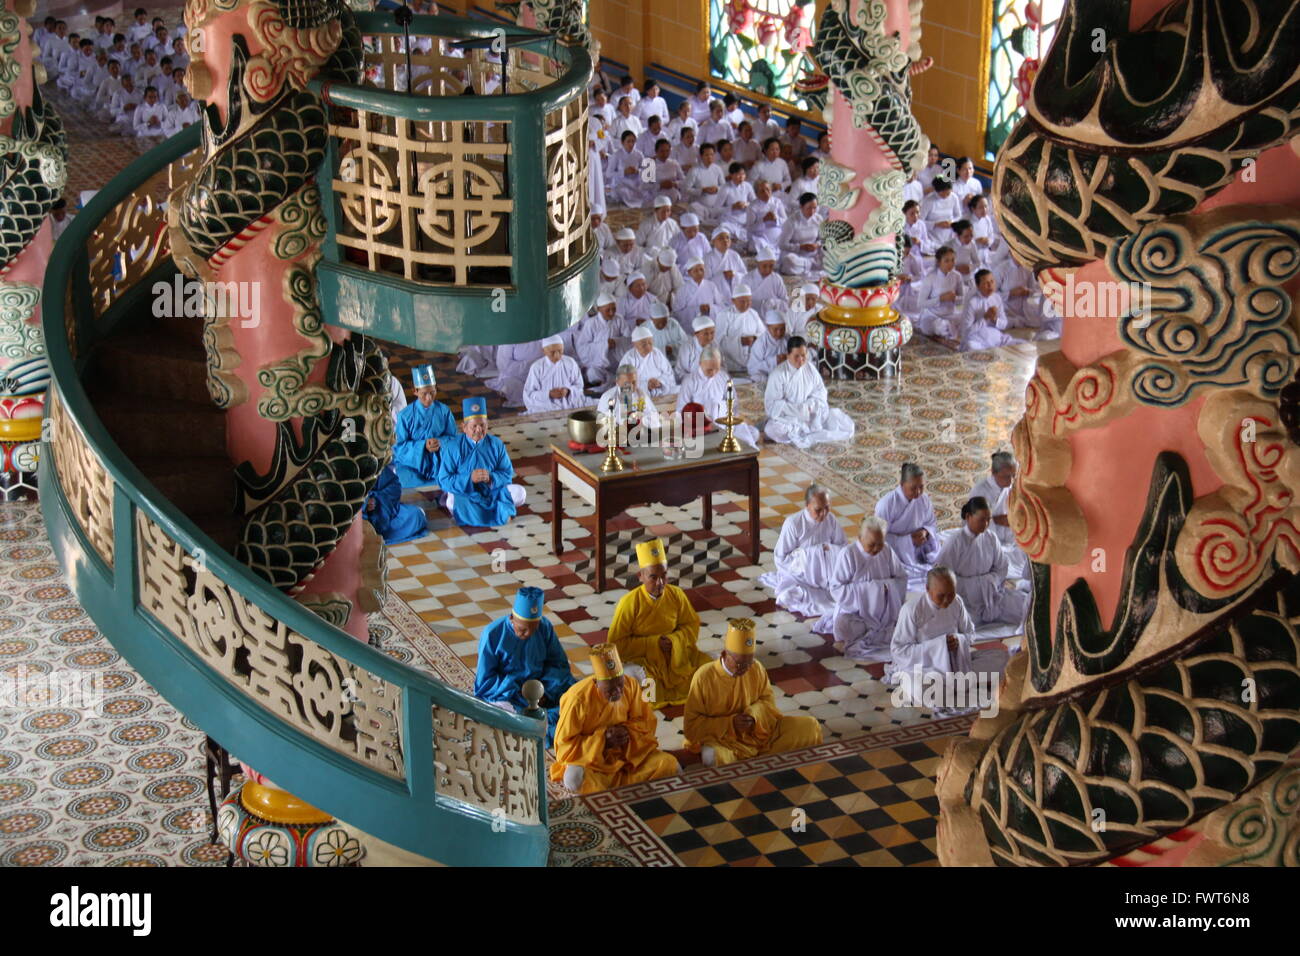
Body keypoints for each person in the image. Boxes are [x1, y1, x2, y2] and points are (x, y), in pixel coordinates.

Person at [684, 619, 822, 766]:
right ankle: (762, 764)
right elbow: (692, 725)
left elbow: (768, 704)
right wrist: (730, 724)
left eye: (748, 662)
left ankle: (765, 766)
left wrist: (754, 716)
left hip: (759, 733)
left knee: (810, 726)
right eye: (740, 663)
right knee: (712, 756)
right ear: (725, 654)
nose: (745, 668)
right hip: (725, 740)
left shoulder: (756, 668)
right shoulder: (704, 677)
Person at [550, 643, 680, 793]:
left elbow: (646, 721)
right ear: (596, 683)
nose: (618, 692)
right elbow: (564, 746)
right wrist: (603, 740)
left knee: (670, 764)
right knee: (573, 779)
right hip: (594, 761)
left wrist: (627, 731)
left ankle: (616, 790)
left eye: (620, 684)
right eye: (610, 689)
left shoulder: (630, 685)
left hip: (627, 757)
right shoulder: (578, 699)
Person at [886, 567, 1010, 717]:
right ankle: (966, 685)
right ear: (927, 589)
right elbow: (899, 651)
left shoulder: (956, 602)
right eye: (941, 596)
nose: (946, 600)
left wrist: (958, 640)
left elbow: (970, 634)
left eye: (950, 594)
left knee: (1003, 658)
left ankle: (960, 685)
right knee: (919, 689)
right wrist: (939, 646)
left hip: (956, 663)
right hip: (924, 669)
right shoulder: (912, 610)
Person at [607, 538, 710, 708]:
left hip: (675, 659)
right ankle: (648, 705)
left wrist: (674, 640)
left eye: (664, 576)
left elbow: (691, 626)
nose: (660, 583)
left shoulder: (676, 594)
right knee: (634, 679)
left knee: (711, 668)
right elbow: (617, 644)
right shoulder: (629, 603)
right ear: (640, 576)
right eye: (653, 577)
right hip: (644, 662)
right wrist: (653, 644)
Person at [474, 586, 575, 747]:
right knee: (508, 716)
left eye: (533, 629)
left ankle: (559, 724)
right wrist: (520, 689)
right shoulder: (492, 634)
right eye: (523, 629)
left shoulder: (544, 627)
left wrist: (545, 691)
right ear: (512, 618)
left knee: (578, 696)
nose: (528, 634)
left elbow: (558, 663)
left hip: (544, 689)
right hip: (509, 694)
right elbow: (485, 682)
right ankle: (557, 729)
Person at [935, 497, 1030, 627]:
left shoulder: (991, 537)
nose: (985, 524)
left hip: (991, 596)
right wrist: (974, 587)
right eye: (981, 520)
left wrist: (991, 582)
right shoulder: (955, 542)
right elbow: (942, 576)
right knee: (955, 625)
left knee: (1026, 609)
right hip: (965, 600)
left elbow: (1001, 566)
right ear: (968, 517)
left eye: (988, 519)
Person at [761, 483, 847, 620]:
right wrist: (812, 554)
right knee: (791, 596)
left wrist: (827, 552)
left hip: (827, 576)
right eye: (818, 510)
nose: (824, 514)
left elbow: (842, 548)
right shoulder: (793, 523)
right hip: (800, 576)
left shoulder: (831, 519)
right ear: (807, 505)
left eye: (827, 508)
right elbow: (781, 558)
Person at [437, 397, 527, 527]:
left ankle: (479, 513)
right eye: (474, 426)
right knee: (451, 501)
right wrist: (469, 479)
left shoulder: (496, 444)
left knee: (520, 493)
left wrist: (491, 478)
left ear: (488, 425)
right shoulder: (453, 446)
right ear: (464, 427)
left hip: (492, 492)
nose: (479, 430)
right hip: (466, 492)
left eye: (482, 425)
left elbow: (507, 473)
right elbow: (444, 479)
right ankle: (493, 513)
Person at [829, 516, 908, 658]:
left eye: (880, 543)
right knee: (843, 625)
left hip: (885, 612)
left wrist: (888, 589)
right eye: (872, 544)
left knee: (909, 618)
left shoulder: (887, 551)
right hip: (857, 614)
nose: (877, 549)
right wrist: (872, 590)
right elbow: (836, 588)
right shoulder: (848, 554)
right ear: (860, 538)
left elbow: (901, 578)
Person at [762, 336, 855, 447]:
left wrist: (811, 405)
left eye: (803, 355)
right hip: (789, 418)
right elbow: (772, 405)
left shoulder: (810, 368)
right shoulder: (778, 374)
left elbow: (820, 391)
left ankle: (805, 431)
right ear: (788, 355)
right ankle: (802, 431)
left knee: (838, 419)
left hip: (811, 415)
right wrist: (798, 411)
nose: (801, 360)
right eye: (796, 356)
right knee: (772, 429)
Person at [674, 346, 761, 447]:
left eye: (717, 369)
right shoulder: (689, 381)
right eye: (709, 370)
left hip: (723, 422)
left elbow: (734, 403)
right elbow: (681, 410)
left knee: (753, 433)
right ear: (700, 364)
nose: (713, 373)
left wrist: (730, 417)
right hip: (701, 427)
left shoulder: (723, 376)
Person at [392, 365, 458, 488]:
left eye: (432, 392)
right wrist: (423, 446)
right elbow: (399, 447)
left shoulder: (444, 411)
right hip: (413, 464)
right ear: (415, 391)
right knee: (398, 478)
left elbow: (454, 438)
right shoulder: (404, 415)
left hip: (440, 459)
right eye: (424, 394)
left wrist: (440, 442)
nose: (428, 398)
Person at [875, 462, 940, 585]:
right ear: (902, 484)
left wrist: (925, 532)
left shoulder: (924, 499)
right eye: (913, 488)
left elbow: (931, 522)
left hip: (919, 548)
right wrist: (907, 541)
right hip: (896, 552)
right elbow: (878, 538)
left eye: (921, 487)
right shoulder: (887, 504)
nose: (918, 492)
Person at [363, 463, 428, 544]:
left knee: (417, 515)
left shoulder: (372, 463)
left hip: (382, 514)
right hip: (359, 520)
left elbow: (393, 486)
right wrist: (365, 504)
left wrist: (377, 500)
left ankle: (375, 534)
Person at [572, 292, 627, 385]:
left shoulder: (619, 319)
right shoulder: (591, 323)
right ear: (599, 309)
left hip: (616, 361)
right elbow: (582, 347)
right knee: (592, 374)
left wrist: (617, 342)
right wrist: (604, 345)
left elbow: (629, 340)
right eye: (608, 310)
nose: (611, 312)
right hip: (598, 363)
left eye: (614, 309)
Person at [912, 245, 963, 344]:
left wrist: (955, 298)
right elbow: (921, 303)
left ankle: (948, 329)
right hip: (933, 315)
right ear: (939, 262)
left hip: (950, 314)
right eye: (946, 261)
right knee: (939, 327)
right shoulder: (930, 278)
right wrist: (941, 298)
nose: (951, 264)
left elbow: (961, 299)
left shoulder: (957, 276)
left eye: (953, 260)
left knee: (968, 322)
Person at [523, 336, 587, 413]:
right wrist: (549, 394)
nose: (557, 355)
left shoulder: (570, 362)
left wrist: (568, 391)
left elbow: (579, 386)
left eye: (560, 351)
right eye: (552, 352)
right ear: (543, 351)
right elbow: (529, 394)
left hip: (568, 402)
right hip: (545, 405)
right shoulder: (537, 367)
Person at [959, 269, 1017, 351]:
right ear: (978, 286)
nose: (990, 285)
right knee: (971, 347)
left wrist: (995, 319)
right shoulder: (972, 302)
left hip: (996, 337)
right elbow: (966, 332)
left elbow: (1004, 324)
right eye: (986, 283)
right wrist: (985, 318)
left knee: (1021, 344)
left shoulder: (996, 298)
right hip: (977, 339)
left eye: (992, 281)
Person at [597, 363, 661, 432]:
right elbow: (601, 424)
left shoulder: (641, 394)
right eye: (626, 383)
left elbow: (655, 419)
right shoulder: (608, 397)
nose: (631, 386)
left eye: (634, 382)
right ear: (617, 382)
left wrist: (641, 420)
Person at [715, 283, 762, 373]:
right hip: (731, 363)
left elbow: (763, 334)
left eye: (748, 301)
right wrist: (740, 342)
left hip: (752, 359)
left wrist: (755, 338)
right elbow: (719, 341)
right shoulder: (724, 315)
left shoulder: (753, 313)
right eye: (742, 301)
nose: (746, 304)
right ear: (733, 300)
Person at [619, 325, 676, 398]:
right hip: (639, 396)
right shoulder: (629, 358)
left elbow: (669, 374)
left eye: (650, 343)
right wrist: (646, 385)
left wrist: (660, 382)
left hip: (660, 392)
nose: (648, 347)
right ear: (634, 344)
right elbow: (624, 383)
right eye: (644, 344)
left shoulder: (657, 353)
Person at [778, 193, 823, 277]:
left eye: (814, 208)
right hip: (796, 255)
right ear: (801, 207)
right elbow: (782, 244)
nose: (812, 211)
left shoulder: (818, 219)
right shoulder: (792, 221)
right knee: (789, 261)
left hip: (813, 253)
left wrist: (817, 245)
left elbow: (823, 239)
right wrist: (801, 247)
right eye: (809, 208)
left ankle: (808, 265)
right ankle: (812, 265)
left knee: (831, 254)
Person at [672, 257, 718, 328]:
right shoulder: (683, 289)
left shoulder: (711, 286)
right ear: (689, 273)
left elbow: (721, 306)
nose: (699, 273)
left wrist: (710, 309)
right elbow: (677, 313)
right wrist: (697, 310)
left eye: (701, 270)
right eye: (696, 271)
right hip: (690, 326)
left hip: (709, 324)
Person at [745, 309, 787, 384]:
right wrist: (774, 361)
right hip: (765, 376)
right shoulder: (760, 343)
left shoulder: (788, 339)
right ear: (768, 328)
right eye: (776, 329)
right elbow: (752, 368)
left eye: (782, 329)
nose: (779, 333)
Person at [747, 179, 787, 254]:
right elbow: (750, 229)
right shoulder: (752, 206)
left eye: (768, 189)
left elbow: (786, 222)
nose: (766, 193)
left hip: (777, 236)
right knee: (757, 245)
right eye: (762, 191)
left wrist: (776, 219)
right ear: (756, 194)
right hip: (761, 237)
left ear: (771, 190)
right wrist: (763, 220)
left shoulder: (777, 202)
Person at [920, 176, 962, 246]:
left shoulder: (954, 197)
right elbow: (920, 222)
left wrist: (952, 222)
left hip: (949, 234)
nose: (945, 196)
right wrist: (936, 224)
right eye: (942, 193)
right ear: (936, 190)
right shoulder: (928, 201)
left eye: (948, 193)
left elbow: (958, 215)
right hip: (932, 236)